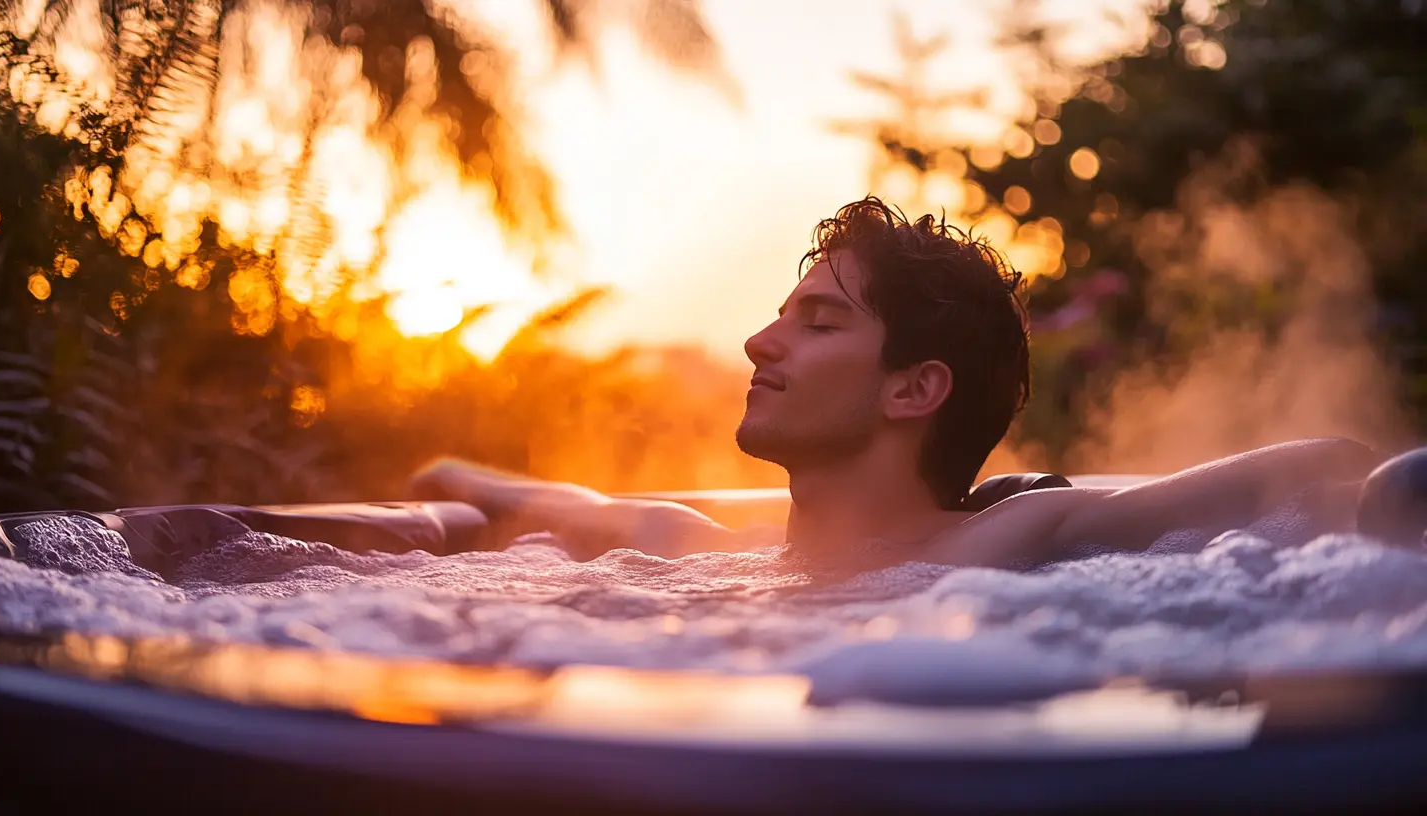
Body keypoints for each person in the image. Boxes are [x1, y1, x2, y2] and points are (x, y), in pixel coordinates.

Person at [412, 197, 1382, 569]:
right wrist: (446, 481)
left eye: (818, 321)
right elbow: (547, 504)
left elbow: (1321, 467)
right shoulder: (696, 550)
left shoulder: (1011, 537)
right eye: (779, 315)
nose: (757, 343)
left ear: (914, 390)